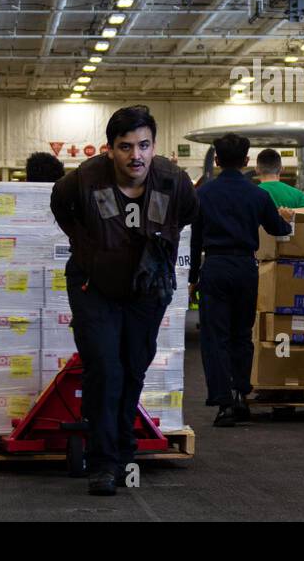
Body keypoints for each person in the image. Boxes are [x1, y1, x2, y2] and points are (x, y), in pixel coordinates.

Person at [51, 105, 198, 497]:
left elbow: (186, 215)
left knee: (133, 369)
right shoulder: (82, 180)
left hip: (147, 290)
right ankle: (105, 463)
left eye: (144, 145)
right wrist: (87, 246)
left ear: (154, 146)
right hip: (93, 287)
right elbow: (59, 206)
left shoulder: (174, 181)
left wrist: (156, 249)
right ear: (110, 149)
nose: (136, 155)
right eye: (126, 146)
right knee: (104, 369)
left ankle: (122, 450)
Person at [189, 134, 293, 428]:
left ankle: (223, 404)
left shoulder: (204, 195)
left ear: (217, 161)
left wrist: (194, 276)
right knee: (241, 335)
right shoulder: (258, 195)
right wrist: (290, 219)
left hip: (215, 266)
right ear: (247, 161)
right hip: (246, 267)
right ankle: (240, 394)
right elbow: (278, 228)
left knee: (215, 337)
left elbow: (195, 240)